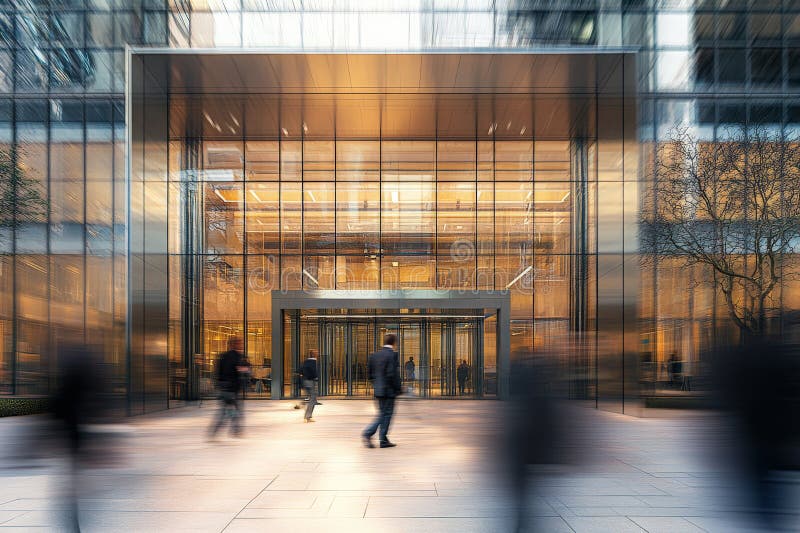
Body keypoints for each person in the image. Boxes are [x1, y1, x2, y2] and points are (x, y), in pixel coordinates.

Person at [362, 333, 402, 448]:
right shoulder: (392, 355)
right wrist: (398, 388)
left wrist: (376, 385)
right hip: (389, 392)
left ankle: (383, 440)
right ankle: (368, 433)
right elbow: (392, 374)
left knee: (383, 414)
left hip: (378, 391)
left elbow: (370, 375)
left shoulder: (374, 355)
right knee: (385, 414)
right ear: (394, 343)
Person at [208, 337, 247, 439]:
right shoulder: (238, 357)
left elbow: (217, 372)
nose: (241, 345)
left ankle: (219, 431)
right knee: (233, 410)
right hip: (232, 389)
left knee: (227, 410)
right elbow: (242, 369)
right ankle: (234, 430)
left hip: (224, 388)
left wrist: (218, 384)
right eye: (239, 343)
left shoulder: (222, 356)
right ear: (234, 344)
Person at [301, 349, 319, 422]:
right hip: (311, 382)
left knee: (311, 398)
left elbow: (300, 370)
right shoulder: (313, 362)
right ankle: (307, 416)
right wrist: (315, 377)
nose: (318, 354)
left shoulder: (306, 361)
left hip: (305, 382)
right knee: (312, 399)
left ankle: (307, 414)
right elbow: (313, 372)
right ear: (313, 354)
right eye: (316, 353)